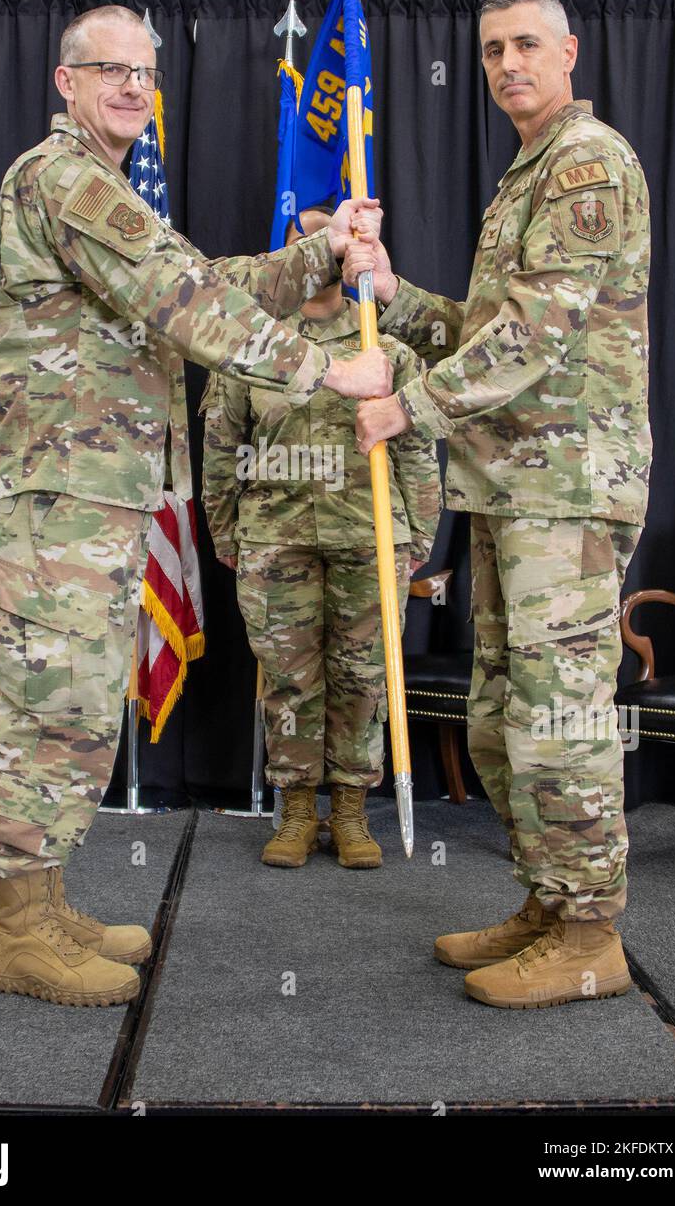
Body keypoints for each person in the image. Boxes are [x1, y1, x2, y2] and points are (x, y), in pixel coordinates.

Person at [0, 4, 391, 1007]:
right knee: (50, 705)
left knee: (73, 704)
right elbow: (187, 303)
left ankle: (45, 899)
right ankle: (15, 931)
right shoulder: (62, 177)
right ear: (64, 83)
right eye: (107, 69)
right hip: (59, 498)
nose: (130, 86)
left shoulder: (105, 187)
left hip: (93, 494)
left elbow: (199, 278)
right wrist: (328, 374)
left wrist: (321, 253)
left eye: (142, 74)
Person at [345, 0, 651, 1009]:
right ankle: (545, 902)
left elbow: (537, 337)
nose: (506, 63)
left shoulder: (585, 161)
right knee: (500, 718)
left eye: (525, 43)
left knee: (559, 720)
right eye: (489, 51)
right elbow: (490, 325)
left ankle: (589, 936)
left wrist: (406, 409)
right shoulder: (528, 169)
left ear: (568, 49)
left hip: (565, 492)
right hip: (512, 489)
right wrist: (396, 298)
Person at [201, 206, 441, 869]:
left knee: (363, 678)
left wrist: (418, 531)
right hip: (276, 538)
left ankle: (354, 812)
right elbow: (222, 449)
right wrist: (226, 529)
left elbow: (417, 452)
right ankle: (299, 810)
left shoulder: (383, 346)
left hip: (370, 537)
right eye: (304, 246)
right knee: (288, 679)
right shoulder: (253, 348)